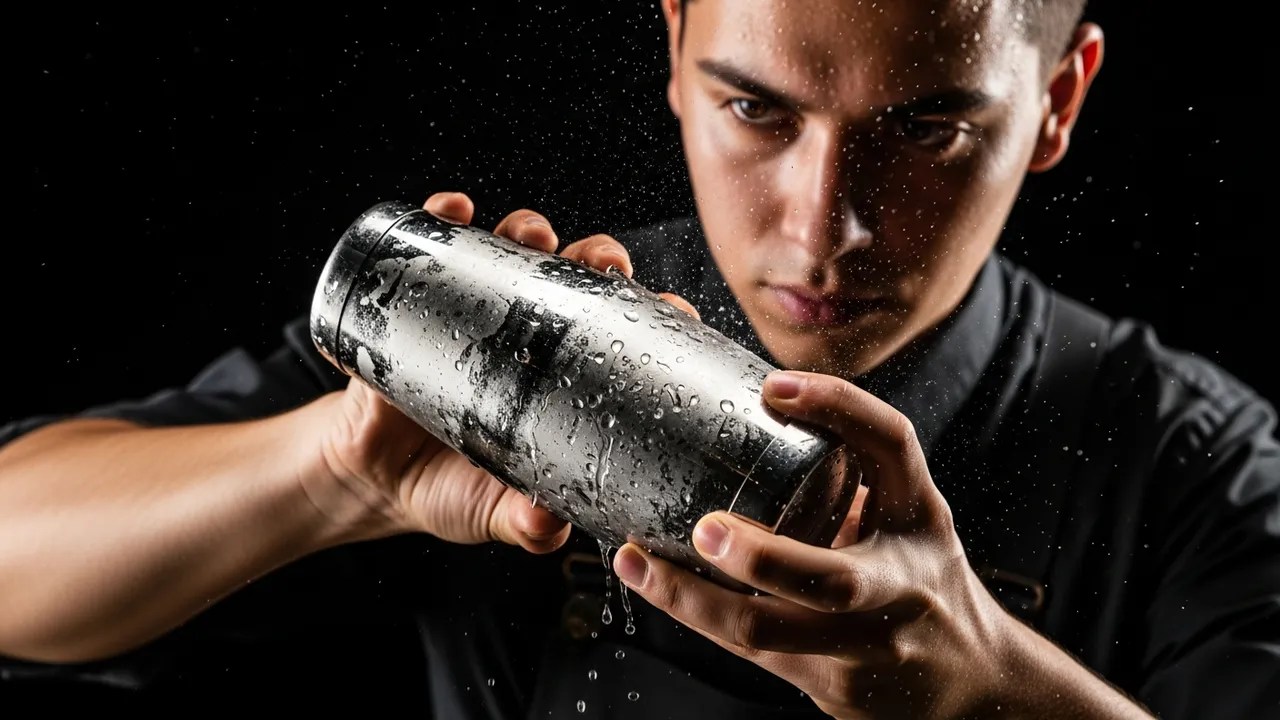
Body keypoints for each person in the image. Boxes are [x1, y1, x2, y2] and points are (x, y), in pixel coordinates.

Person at [2, 0, 1276, 717]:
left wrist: (981, 688)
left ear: (1057, 100)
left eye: (926, 127)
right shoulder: (518, 332)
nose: (821, 226)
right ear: (671, 48)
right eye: (754, 109)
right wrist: (336, 472)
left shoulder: (1202, 466)